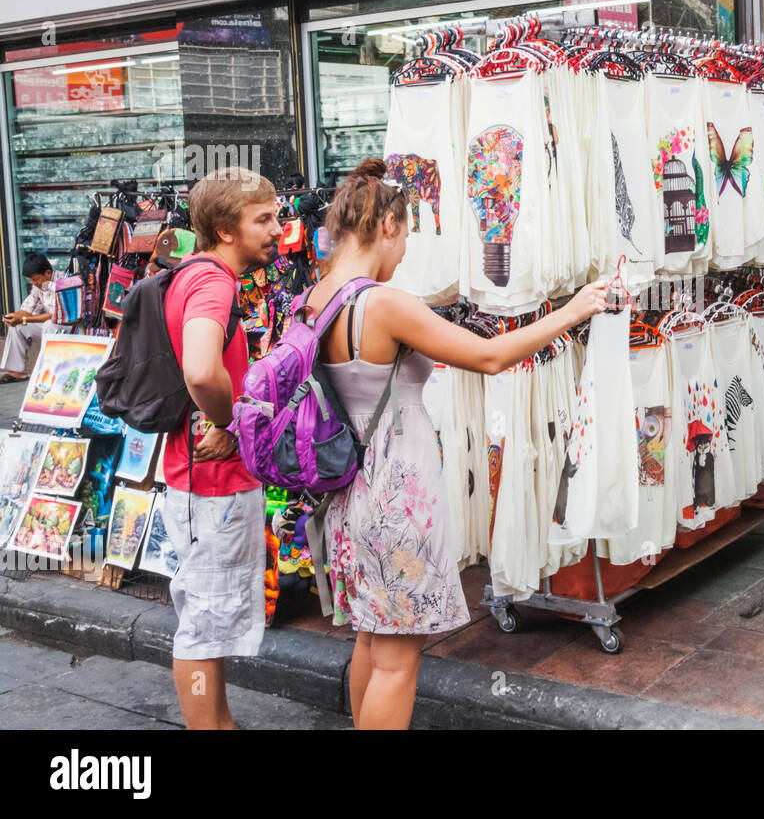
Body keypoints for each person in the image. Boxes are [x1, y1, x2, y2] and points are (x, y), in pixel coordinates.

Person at [307, 158, 608, 730]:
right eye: (407, 238)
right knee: (398, 659)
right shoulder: (384, 303)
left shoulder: (314, 298)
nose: (404, 256)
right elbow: (490, 359)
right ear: (388, 227)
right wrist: (572, 311)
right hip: (396, 496)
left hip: (348, 495)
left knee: (372, 639)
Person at [159, 166, 282, 730]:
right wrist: (229, 422)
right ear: (226, 230)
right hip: (213, 485)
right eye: (264, 219)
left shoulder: (190, 273)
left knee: (206, 619)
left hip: (196, 483)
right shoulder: (214, 282)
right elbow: (202, 369)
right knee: (204, 627)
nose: (278, 229)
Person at [1, 254, 57, 381]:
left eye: (35, 279)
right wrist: (13, 317)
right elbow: (27, 309)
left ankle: (48, 371)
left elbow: (55, 315)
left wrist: (24, 319)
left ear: (48, 273)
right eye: (31, 280)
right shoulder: (39, 285)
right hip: (51, 326)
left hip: (67, 326)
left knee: (49, 324)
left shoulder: (61, 283)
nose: (33, 283)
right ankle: (17, 372)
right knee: (17, 326)